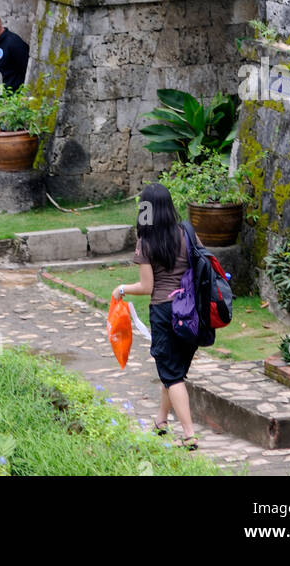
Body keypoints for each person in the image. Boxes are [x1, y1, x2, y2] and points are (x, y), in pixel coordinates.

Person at [111, 182, 199, 449]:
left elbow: (147, 287)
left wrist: (122, 289)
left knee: (171, 375)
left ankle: (189, 434)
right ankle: (161, 421)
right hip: (192, 312)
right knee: (173, 371)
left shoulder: (146, 242)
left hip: (164, 312)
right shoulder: (186, 232)